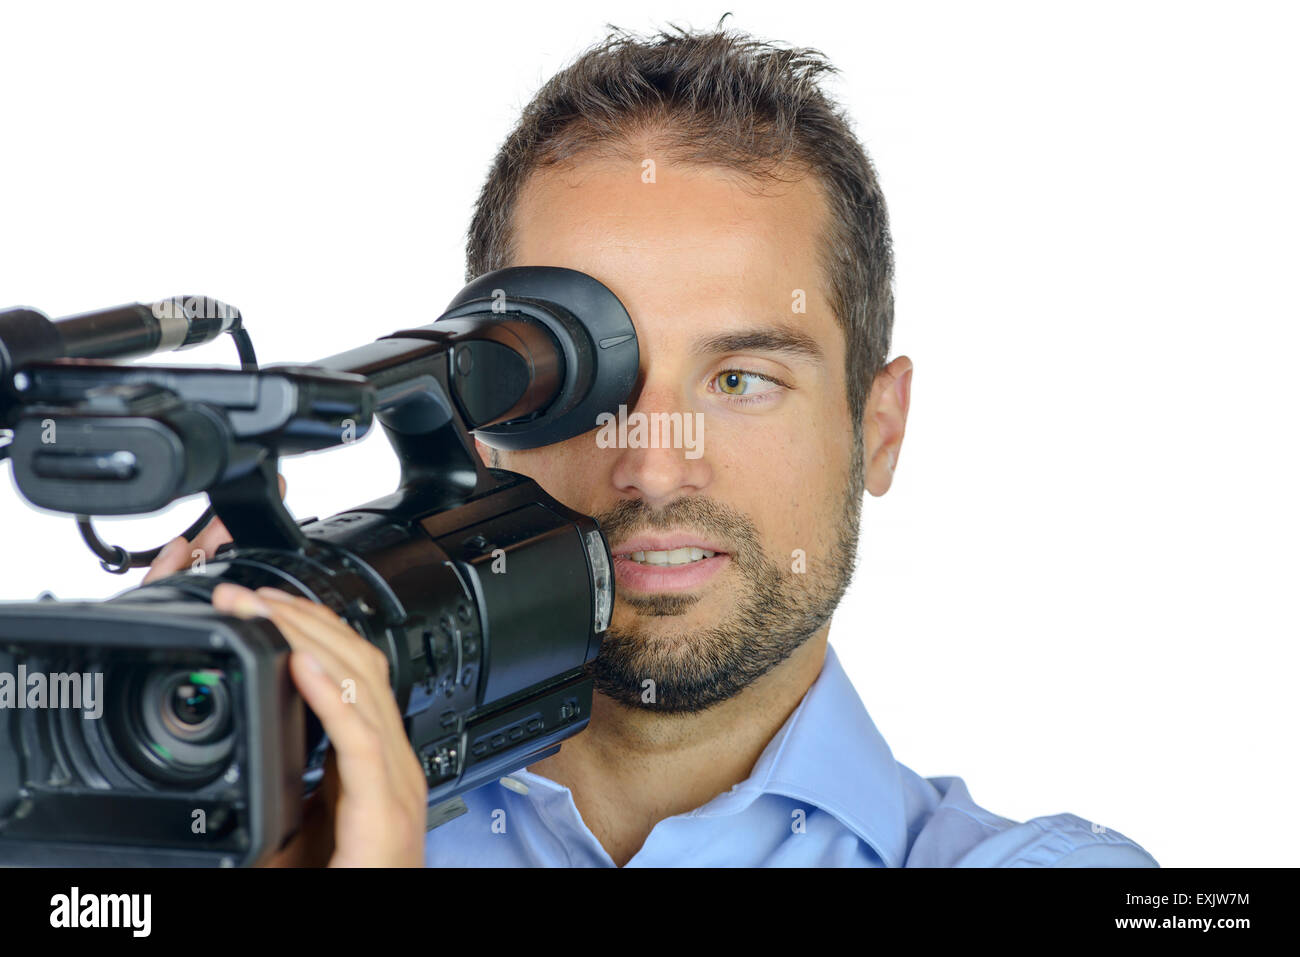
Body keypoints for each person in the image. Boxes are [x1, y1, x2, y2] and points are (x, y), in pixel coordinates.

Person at [146, 23, 1158, 868]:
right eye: (579, 384)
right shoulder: (224, 825)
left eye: (740, 380)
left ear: (877, 431)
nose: (655, 464)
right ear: (477, 424)